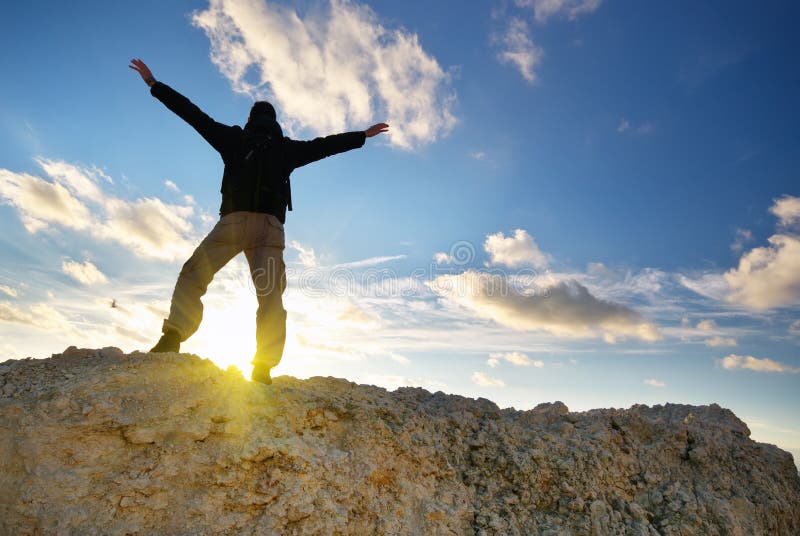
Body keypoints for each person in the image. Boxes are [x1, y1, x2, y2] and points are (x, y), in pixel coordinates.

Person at [129, 58, 389, 385]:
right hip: (270, 231)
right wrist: (361, 135)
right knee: (270, 298)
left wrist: (155, 84)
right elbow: (324, 146)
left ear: (250, 118)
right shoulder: (286, 149)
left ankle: (173, 337)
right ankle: (263, 367)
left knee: (193, 276)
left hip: (233, 224)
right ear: (275, 122)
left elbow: (192, 115)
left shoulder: (233, 140)